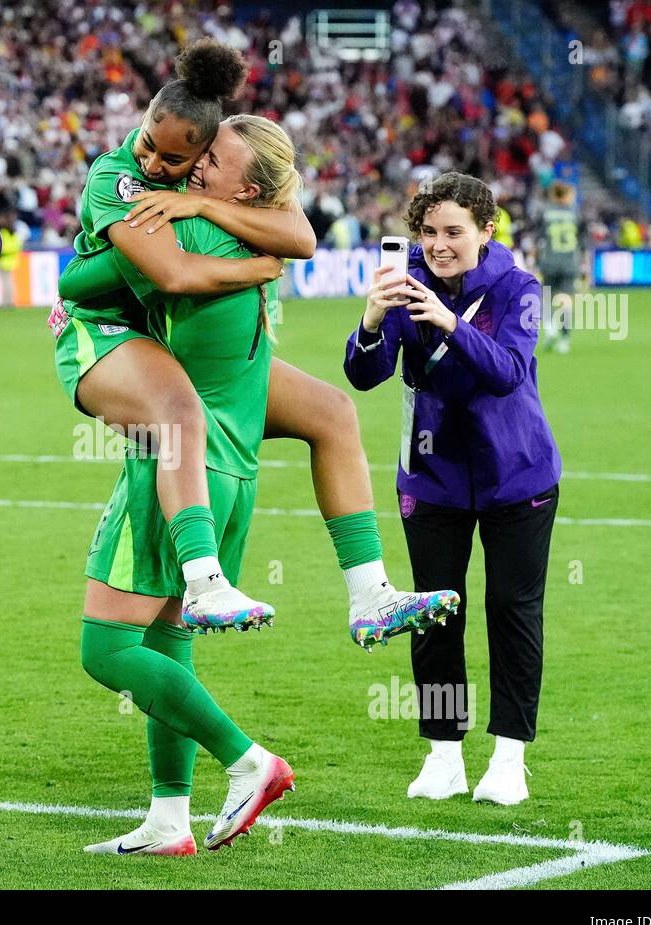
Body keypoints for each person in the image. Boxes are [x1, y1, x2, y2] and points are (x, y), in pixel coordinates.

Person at [53, 41, 458, 649]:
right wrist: (255, 268)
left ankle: (370, 593)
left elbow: (300, 235)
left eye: (196, 159)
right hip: (102, 331)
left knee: (333, 412)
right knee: (179, 416)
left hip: (187, 353)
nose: (172, 168)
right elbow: (151, 277)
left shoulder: (198, 201)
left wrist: (196, 203)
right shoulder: (123, 179)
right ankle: (203, 580)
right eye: (159, 150)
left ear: (242, 188)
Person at [70, 118, 306, 856]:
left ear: (247, 184)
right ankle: (169, 818)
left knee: (105, 649)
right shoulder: (264, 231)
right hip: (232, 472)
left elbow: (79, 282)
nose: (194, 168)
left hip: (170, 470)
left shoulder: (176, 226)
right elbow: (299, 235)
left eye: (211, 160)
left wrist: (106, 249)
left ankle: (248, 761)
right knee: (169, 641)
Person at [344, 172, 562, 806]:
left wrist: (447, 322)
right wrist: (373, 317)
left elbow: (508, 372)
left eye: (454, 233)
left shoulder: (518, 288)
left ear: (486, 231)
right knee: (435, 613)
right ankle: (443, 754)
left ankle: (509, 758)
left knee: (512, 610)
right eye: (429, 232)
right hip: (431, 476)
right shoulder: (403, 280)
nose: (438, 246)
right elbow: (363, 376)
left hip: (517, 474)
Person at [535, 182, 583, 354]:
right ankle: (564, 339)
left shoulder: (545, 214)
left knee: (546, 297)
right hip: (569, 263)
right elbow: (582, 241)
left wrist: (534, 261)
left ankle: (550, 328)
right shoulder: (575, 214)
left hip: (549, 262)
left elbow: (537, 239)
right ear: (566, 195)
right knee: (566, 300)